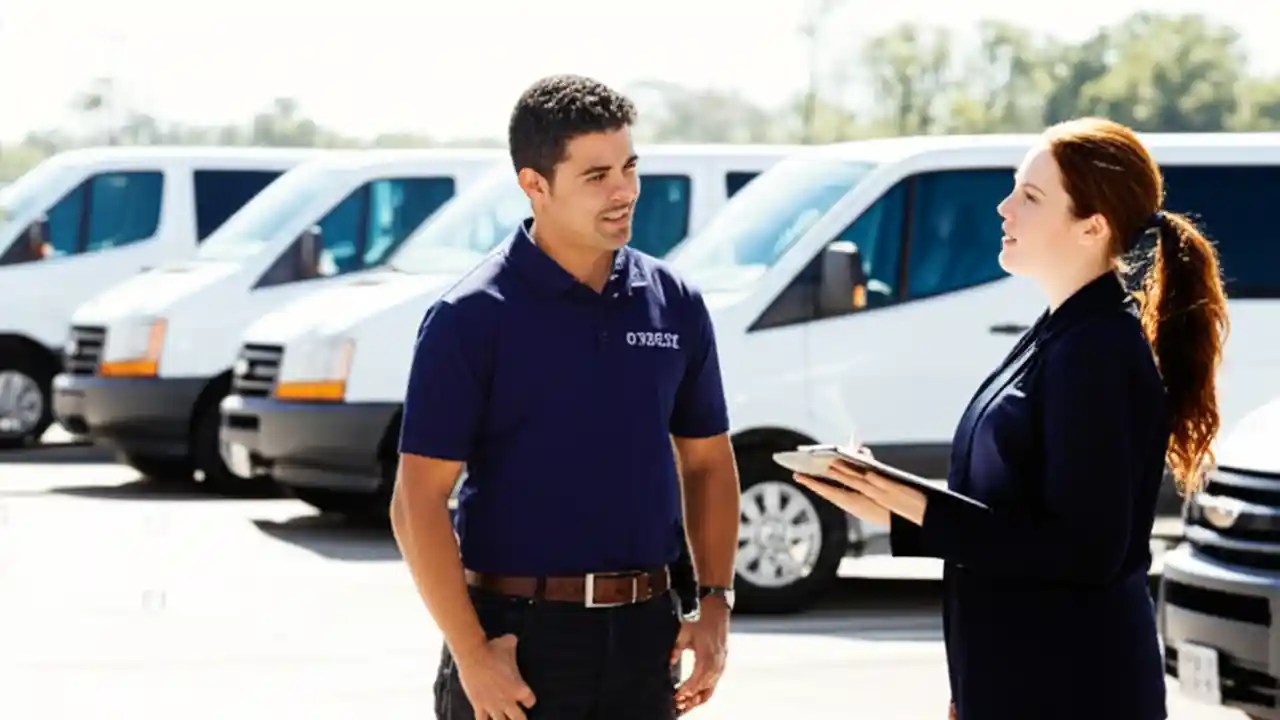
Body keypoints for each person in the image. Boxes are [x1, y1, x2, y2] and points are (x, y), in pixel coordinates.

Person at [795, 116, 1229, 720]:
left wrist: (917, 504)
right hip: (1019, 680)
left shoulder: (1097, 351)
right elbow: (1015, 525)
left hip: (1074, 689)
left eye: (1030, 197)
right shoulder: (1060, 332)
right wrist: (893, 509)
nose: (1003, 208)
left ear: (1092, 227)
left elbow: (1085, 551)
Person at [389, 74, 741, 720]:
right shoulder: (471, 317)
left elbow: (708, 464)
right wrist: (471, 655)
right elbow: (417, 501)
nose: (625, 192)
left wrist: (714, 602)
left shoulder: (677, 304)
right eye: (597, 175)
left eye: (630, 167)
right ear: (534, 185)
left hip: (646, 642)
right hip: (518, 647)